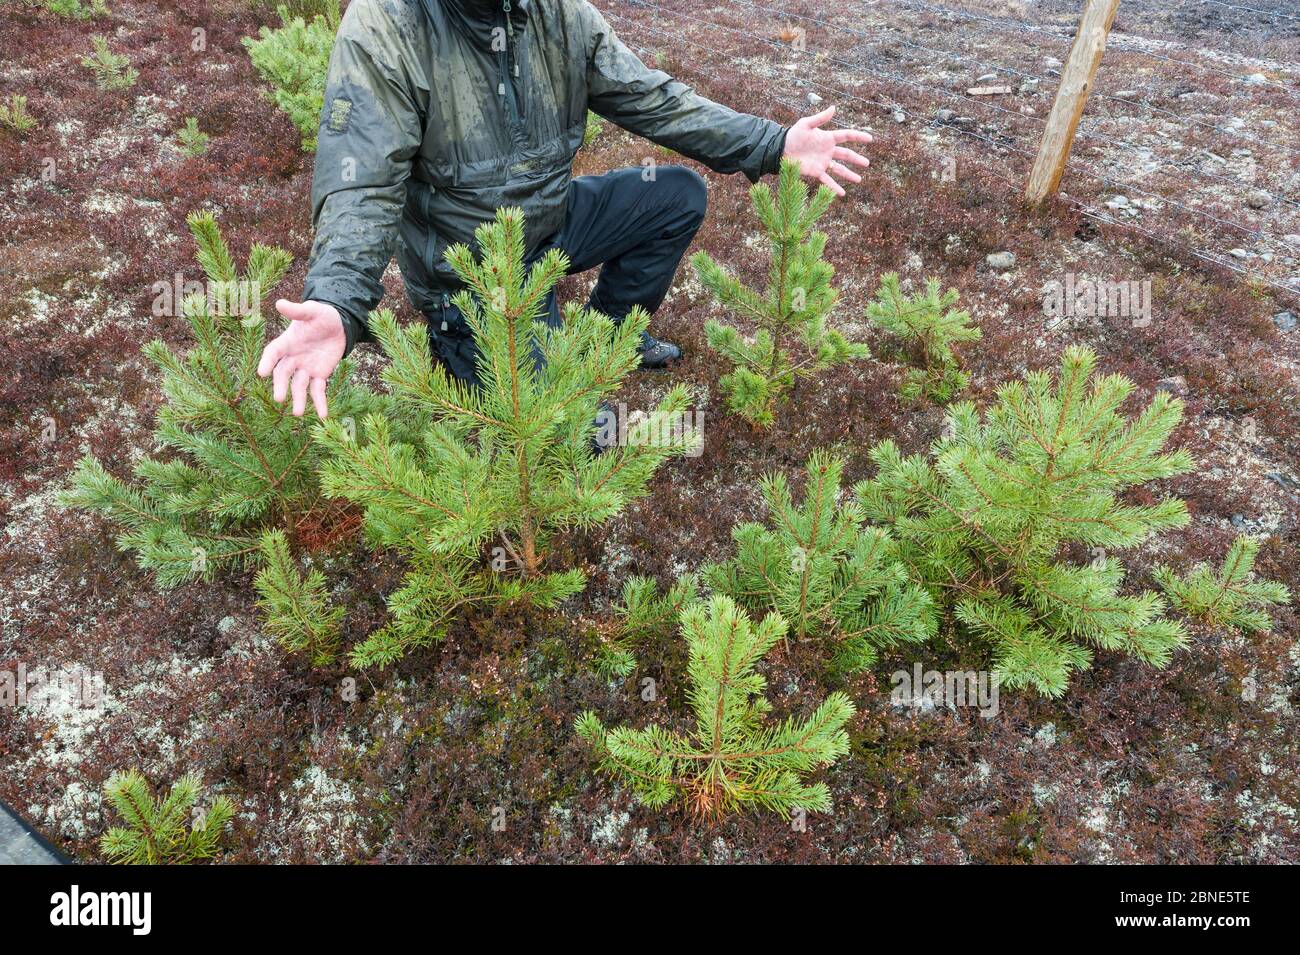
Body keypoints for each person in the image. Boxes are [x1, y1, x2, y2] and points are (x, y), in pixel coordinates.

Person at [257, 0, 873, 418]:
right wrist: (339, 300)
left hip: (548, 222)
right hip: (468, 271)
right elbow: (359, 180)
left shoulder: (558, 13)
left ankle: (606, 340)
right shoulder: (385, 27)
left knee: (675, 196)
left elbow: (652, 98)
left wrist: (772, 143)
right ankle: (480, 344)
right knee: (580, 429)